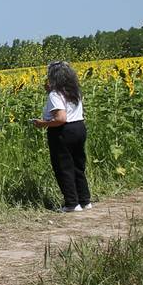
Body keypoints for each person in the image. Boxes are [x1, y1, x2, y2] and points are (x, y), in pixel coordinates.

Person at [31, 62, 92, 213]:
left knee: (64, 167)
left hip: (63, 131)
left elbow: (61, 118)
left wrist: (42, 123)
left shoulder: (55, 94)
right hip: (79, 127)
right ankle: (84, 201)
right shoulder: (74, 90)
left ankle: (72, 203)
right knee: (78, 166)